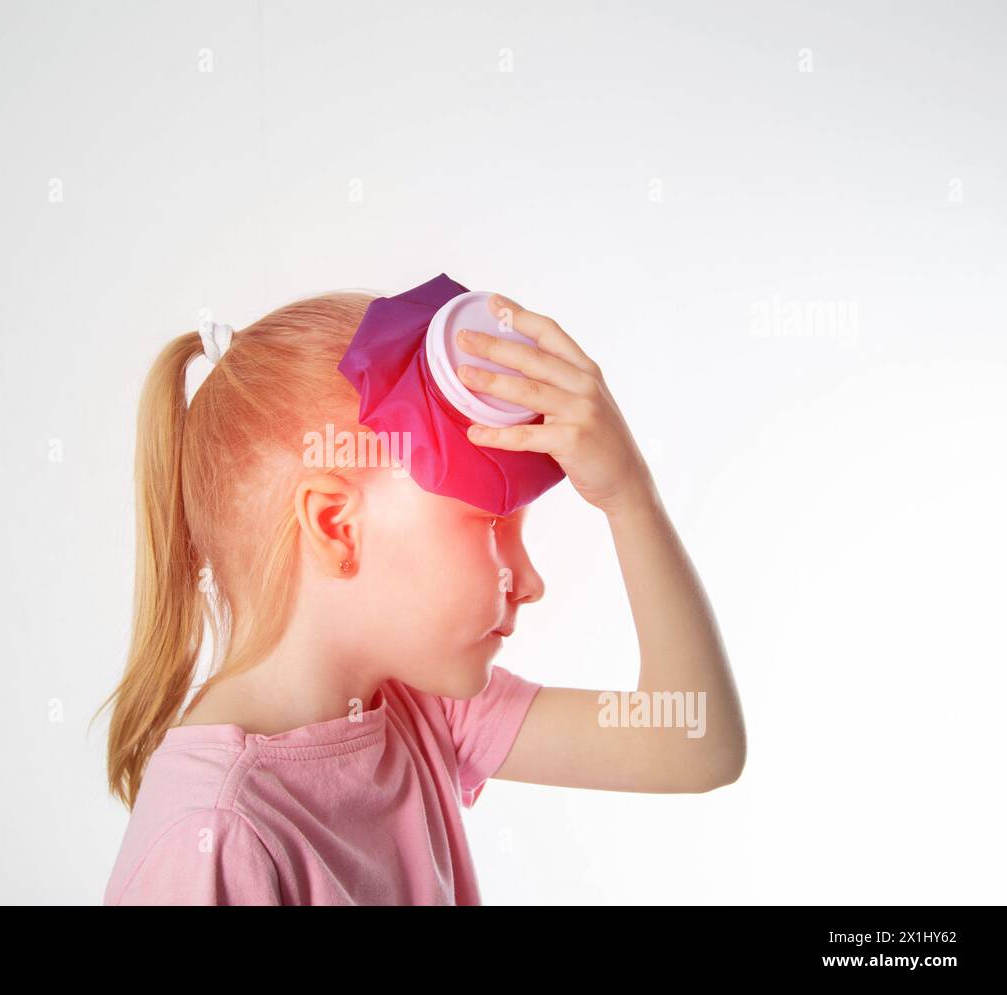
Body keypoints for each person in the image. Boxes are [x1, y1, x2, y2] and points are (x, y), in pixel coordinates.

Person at [97, 288, 745, 905]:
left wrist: (629, 497)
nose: (530, 580)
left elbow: (693, 740)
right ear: (336, 526)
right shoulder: (212, 839)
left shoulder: (422, 710)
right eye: (490, 523)